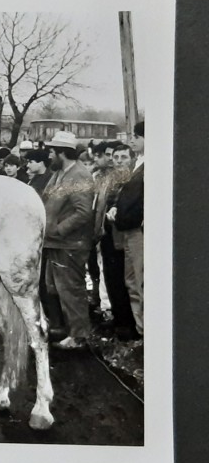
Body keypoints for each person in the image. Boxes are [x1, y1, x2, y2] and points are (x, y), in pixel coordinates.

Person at [40, 131, 95, 350]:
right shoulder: (59, 173)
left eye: (52, 151)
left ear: (62, 153)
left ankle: (79, 336)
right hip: (55, 243)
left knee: (71, 288)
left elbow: (83, 212)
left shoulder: (79, 176)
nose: (49, 156)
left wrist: (59, 230)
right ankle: (65, 329)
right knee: (54, 287)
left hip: (70, 244)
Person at [93, 141, 137, 340]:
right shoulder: (109, 178)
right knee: (111, 279)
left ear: (131, 158)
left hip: (124, 235)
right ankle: (118, 319)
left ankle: (128, 324)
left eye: (123, 157)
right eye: (116, 157)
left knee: (124, 280)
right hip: (107, 233)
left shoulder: (132, 179)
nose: (119, 161)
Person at [110, 122, 144, 338]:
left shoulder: (150, 165)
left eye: (137, 136)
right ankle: (141, 332)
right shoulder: (137, 164)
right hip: (127, 229)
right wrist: (115, 207)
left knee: (141, 283)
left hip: (139, 231)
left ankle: (147, 334)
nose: (133, 140)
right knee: (132, 282)